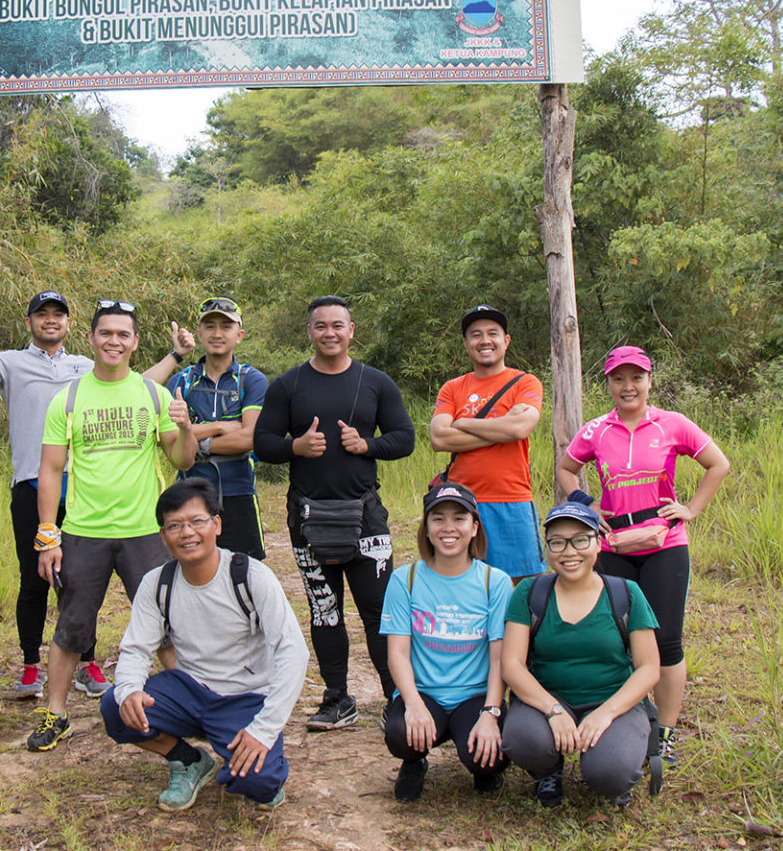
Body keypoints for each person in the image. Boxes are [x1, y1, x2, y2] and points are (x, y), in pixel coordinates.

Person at [0, 290, 189, 699]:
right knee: (36, 579)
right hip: (34, 486)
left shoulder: (87, 365)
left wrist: (174, 357)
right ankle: (31, 666)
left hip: (82, 491)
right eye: (42, 314)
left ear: (72, 326)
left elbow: (136, 389)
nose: (50, 320)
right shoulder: (11, 363)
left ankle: (89, 665)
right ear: (29, 321)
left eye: (58, 315)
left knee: (80, 584)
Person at [27, 299, 198, 751]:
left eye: (124, 334)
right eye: (106, 333)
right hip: (84, 532)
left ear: (135, 342)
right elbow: (49, 470)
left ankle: (191, 704)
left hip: (144, 531)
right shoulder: (69, 398)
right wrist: (49, 535)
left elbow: (181, 459)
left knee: (164, 625)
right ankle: (55, 714)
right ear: (91, 339)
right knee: (72, 626)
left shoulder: (152, 394)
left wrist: (186, 427)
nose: (114, 341)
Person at [554, 345, 730, 769]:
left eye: (636, 378)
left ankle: (665, 734)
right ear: (609, 384)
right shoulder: (596, 430)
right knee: (619, 639)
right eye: (618, 378)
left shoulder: (672, 424)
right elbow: (565, 469)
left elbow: (717, 464)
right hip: (613, 545)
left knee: (666, 639)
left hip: (665, 543)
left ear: (650, 381)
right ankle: (626, 717)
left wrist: (691, 509)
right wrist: (587, 507)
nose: (628, 386)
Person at [254, 295, 414, 730]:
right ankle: (337, 698)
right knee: (325, 609)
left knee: (379, 610)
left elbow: (404, 438)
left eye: (337, 325)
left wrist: (368, 445)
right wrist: (296, 447)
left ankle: (395, 695)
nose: (329, 333)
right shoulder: (288, 385)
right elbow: (262, 442)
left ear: (351, 330)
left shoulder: (375, 382)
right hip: (309, 517)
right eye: (320, 326)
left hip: (366, 516)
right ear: (309, 332)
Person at [100, 478, 309, 811]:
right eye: (174, 526)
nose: (187, 533)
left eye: (197, 521)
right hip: (189, 691)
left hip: (244, 697)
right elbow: (136, 648)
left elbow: (293, 651)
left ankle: (255, 764)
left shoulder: (250, 576)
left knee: (258, 784)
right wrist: (129, 691)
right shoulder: (157, 583)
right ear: (163, 536)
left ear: (217, 525)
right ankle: (187, 760)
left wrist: (264, 730)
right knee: (116, 706)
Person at [500, 498, 660, 808]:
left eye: (581, 540)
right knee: (522, 739)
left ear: (598, 545)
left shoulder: (626, 593)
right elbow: (512, 665)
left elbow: (649, 668)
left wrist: (607, 713)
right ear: (547, 549)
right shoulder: (530, 593)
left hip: (613, 700)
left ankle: (612, 767)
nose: (569, 552)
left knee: (609, 773)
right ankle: (547, 770)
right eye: (557, 543)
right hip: (548, 698)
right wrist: (553, 710)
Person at [379, 482, 513, 802]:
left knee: (495, 749)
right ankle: (414, 761)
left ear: (474, 527)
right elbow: (397, 653)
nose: (448, 528)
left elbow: (499, 658)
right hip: (426, 694)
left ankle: (483, 768)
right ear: (426, 529)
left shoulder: (495, 582)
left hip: (475, 696)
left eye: (459, 518)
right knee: (400, 734)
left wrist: (491, 712)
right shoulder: (405, 580)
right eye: (438, 519)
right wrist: (412, 704)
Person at [428, 304, 546, 581]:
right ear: (466, 343)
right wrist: (501, 426)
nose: (484, 340)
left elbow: (519, 428)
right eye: (475, 334)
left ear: (505, 341)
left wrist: (464, 423)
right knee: (462, 583)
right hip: (460, 503)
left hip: (512, 499)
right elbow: (439, 437)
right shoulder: (453, 387)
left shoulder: (525, 382)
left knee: (523, 589)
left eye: (492, 333)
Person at [164, 296, 270, 560]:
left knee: (245, 575)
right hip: (190, 493)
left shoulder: (251, 380)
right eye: (209, 326)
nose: (217, 333)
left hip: (239, 492)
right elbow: (171, 443)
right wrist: (223, 426)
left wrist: (195, 436)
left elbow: (249, 437)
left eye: (226, 326)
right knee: (191, 573)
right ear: (199, 334)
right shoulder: (181, 381)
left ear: (239, 335)